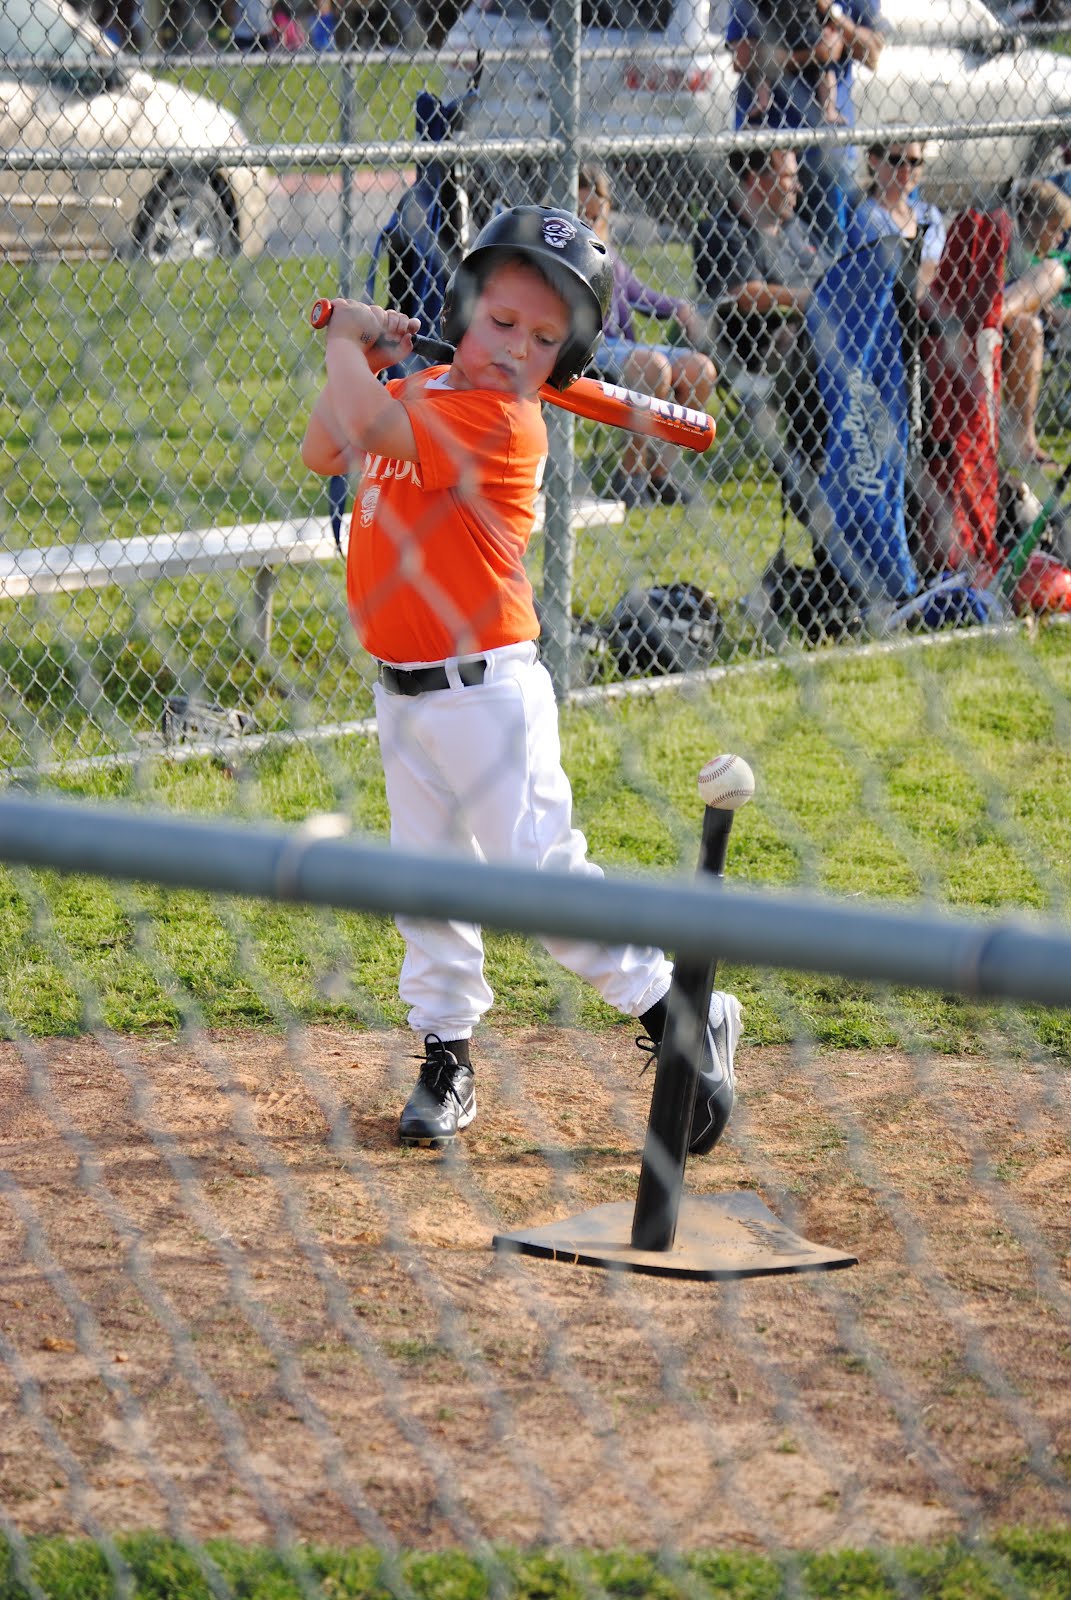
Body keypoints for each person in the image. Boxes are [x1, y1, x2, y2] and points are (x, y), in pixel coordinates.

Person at [300, 205, 742, 1152]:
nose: (515, 349)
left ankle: (676, 1011)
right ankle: (446, 1057)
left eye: (545, 340)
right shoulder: (421, 388)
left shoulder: (502, 423)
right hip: (403, 689)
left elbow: (367, 423)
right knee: (428, 888)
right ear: (462, 310)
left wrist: (348, 342)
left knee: (537, 879)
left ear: (562, 361)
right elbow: (326, 446)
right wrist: (375, 356)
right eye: (501, 322)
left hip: (488, 693)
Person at [576, 163, 718, 507]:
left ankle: (660, 474)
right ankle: (629, 473)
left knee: (700, 369)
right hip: (589, 348)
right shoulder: (569, 252)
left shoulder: (608, 253)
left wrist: (679, 307)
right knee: (654, 366)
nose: (593, 224)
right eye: (584, 215)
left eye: (598, 215)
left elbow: (640, 295)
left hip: (626, 346)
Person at [727, 0, 885, 257]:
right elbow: (742, 56)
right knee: (763, 252)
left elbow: (872, 54)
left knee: (830, 255)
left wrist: (832, 13)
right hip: (767, 154)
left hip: (828, 148)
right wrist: (812, 54)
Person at [1000, 178, 1071, 469]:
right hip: (989, 319)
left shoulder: (1049, 257)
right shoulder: (1006, 245)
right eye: (1053, 229)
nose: (1057, 240)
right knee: (1054, 272)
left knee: (1032, 328)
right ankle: (998, 312)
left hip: (1019, 325)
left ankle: (1025, 442)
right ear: (1029, 218)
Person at [847, 142, 947, 294]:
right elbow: (892, 271)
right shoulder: (866, 215)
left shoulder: (929, 213)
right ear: (874, 162)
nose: (906, 169)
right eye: (896, 160)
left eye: (914, 162)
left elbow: (933, 262)